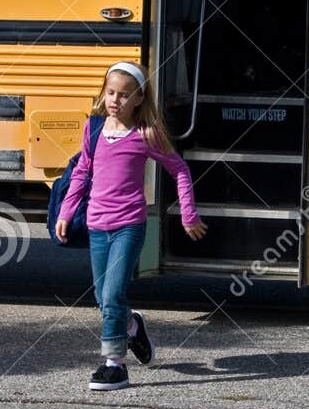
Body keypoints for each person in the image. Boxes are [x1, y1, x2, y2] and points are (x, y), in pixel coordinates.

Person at [54, 62, 208, 391]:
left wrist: (188, 214)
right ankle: (133, 326)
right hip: (97, 224)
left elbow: (179, 170)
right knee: (103, 296)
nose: (115, 100)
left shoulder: (145, 134)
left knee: (112, 294)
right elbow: (82, 172)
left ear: (138, 99)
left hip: (129, 225)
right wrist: (66, 212)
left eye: (124, 95)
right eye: (111, 93)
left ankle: (114, 365)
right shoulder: (94, 129)